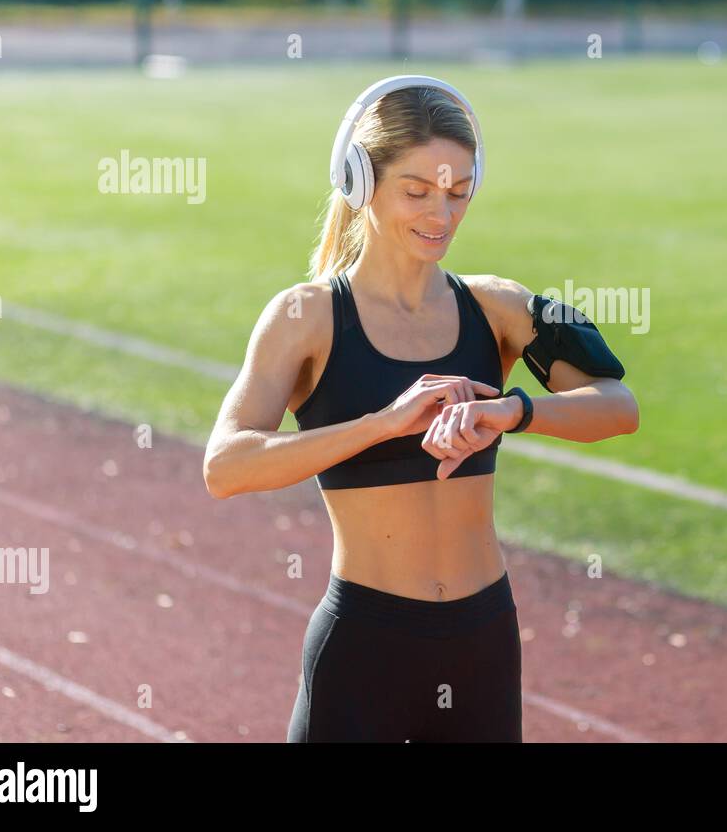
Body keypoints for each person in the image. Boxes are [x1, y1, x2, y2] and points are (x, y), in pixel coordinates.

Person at [202, 76, 639, 742]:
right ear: (357, 179)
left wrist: (512, 412)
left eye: (458, 193)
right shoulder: (305, 317)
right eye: (417, 191)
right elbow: (225, 467)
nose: (441, 215)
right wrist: (384, 423)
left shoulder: (498, 306)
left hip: (481, 643)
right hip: (363, 646)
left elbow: (618, 405)